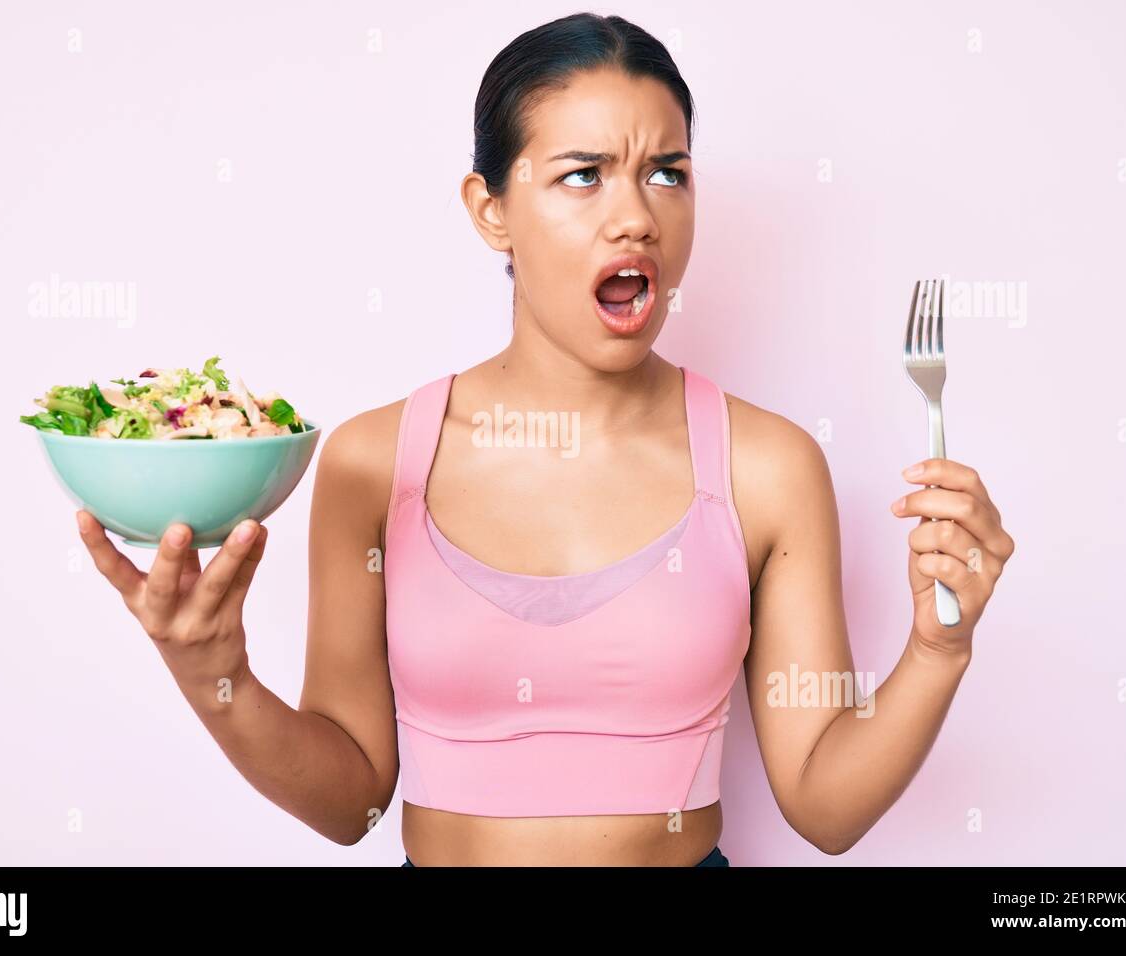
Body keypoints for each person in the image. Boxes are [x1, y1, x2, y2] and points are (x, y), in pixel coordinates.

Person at [75, 12, 1015, 867]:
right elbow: (351, 800)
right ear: (492, 210)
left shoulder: (767, 469)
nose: (637, 215)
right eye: (583, 175)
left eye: (667, 173)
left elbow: (823, 803)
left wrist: (940, 650)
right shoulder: (373, 463)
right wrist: (217, 677)